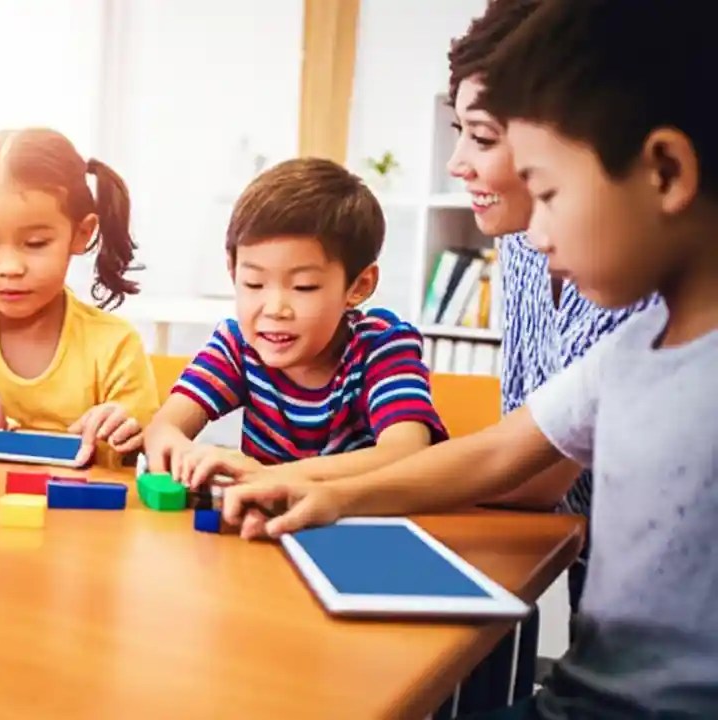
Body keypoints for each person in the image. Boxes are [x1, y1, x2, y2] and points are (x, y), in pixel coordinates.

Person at [226, 2, 718, 716]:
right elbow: (497, 454)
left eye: (546, 191)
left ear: (666, 171)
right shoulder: (628, 354)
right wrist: (330, 493)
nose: (531, 232)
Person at [445, 0, 653, 616]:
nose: (457, 162)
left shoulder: (639, 273)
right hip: (600, 598)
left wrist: (329, 482)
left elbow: (527, 469)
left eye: (482, 136)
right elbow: (522, 430)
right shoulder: (521, 240)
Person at [143, 158, 446, 488]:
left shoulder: (381, 347)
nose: (275, 309)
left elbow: (406, 454)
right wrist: (181, 454)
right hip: (261, 529)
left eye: (304, 287)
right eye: (254, 284)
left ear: (358, 286)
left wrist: (268, 477)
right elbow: (164, 428)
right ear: (233, 271)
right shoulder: (237, 346)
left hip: (356, 528)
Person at [0, 128, 157, 467]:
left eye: (34, 243)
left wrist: (126, 431)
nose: (9, 267)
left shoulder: (115, 344)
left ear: (81, 234)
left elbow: (147, 452)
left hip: (77, 516)